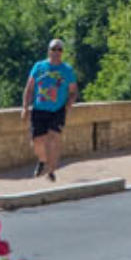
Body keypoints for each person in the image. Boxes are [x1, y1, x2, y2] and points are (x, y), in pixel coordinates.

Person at [22, 37, 79, 181]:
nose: (56, 52)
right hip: (39, 109)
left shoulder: (67, 70)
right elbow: (29, 88)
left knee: (54, 138)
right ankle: (42, 161)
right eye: (54, 49)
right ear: (49, 51)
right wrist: (25, 107)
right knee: (36, 140)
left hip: (57, 109)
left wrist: (68, 105)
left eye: (59, 49)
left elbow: (73, 91)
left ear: (62, 52)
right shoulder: (39, 67)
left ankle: (51, 171)